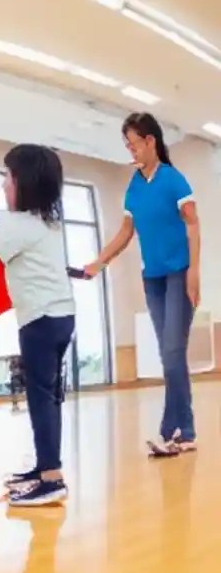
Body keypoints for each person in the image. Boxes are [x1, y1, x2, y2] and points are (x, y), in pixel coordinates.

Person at [0, 144, 75, 507]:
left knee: (41, 397)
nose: (3, 185)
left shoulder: (22, 225)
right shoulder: (44, 221)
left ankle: (52, 479)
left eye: (6, 177)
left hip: (41, 319)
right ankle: (44, 468)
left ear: (23, 182)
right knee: (46, 395)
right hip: (57, 315)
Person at [85, 112, 201, 456]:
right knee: (170, 354)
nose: (131, 151)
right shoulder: (135, 184)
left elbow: (193, 226)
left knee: (172, 351)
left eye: (134, 144)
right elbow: (126, 231)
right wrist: (100, 260)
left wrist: (195, 271)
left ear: (151, 141)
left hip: (179, 274)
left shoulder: (174, 179)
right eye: (127, 145)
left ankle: (175, 429)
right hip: (153, 280)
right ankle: (185, 430)